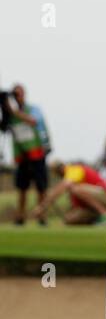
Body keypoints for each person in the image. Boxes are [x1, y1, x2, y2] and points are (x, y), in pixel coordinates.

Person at [6, 83, 52, 226]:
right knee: (22, 187)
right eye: (14, 94)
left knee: (41, 186)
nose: (16, 96)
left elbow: (33, 121)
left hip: (37, 153)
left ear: (24, 94)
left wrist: (15, 113)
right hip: (21, 155)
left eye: (18, 93)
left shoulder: (33, 109)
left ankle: (41, 216)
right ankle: (20, 217)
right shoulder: (10, 114)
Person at [34, 159, 106, 224]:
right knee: (68, 220)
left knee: (76, 189)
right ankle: (98, 219)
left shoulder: (73, 170)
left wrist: (42, 207)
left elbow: (63, 186)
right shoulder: (71, 177)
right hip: (95, 204)